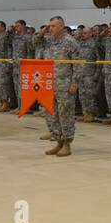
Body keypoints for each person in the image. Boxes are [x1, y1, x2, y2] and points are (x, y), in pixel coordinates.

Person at [31, 16, 81, 156]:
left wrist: (74, 83)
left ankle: (67, 144)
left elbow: (78, 64)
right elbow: (35, 42)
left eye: (53, 26)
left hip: (65, 85)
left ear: (61, 27)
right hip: (49, 84)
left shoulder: (70, 42)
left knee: (65, 116)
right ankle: (58, 142)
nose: (50, 28)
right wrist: (43, 32)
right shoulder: (49, 41)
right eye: (49, 26)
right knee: (52, 115)